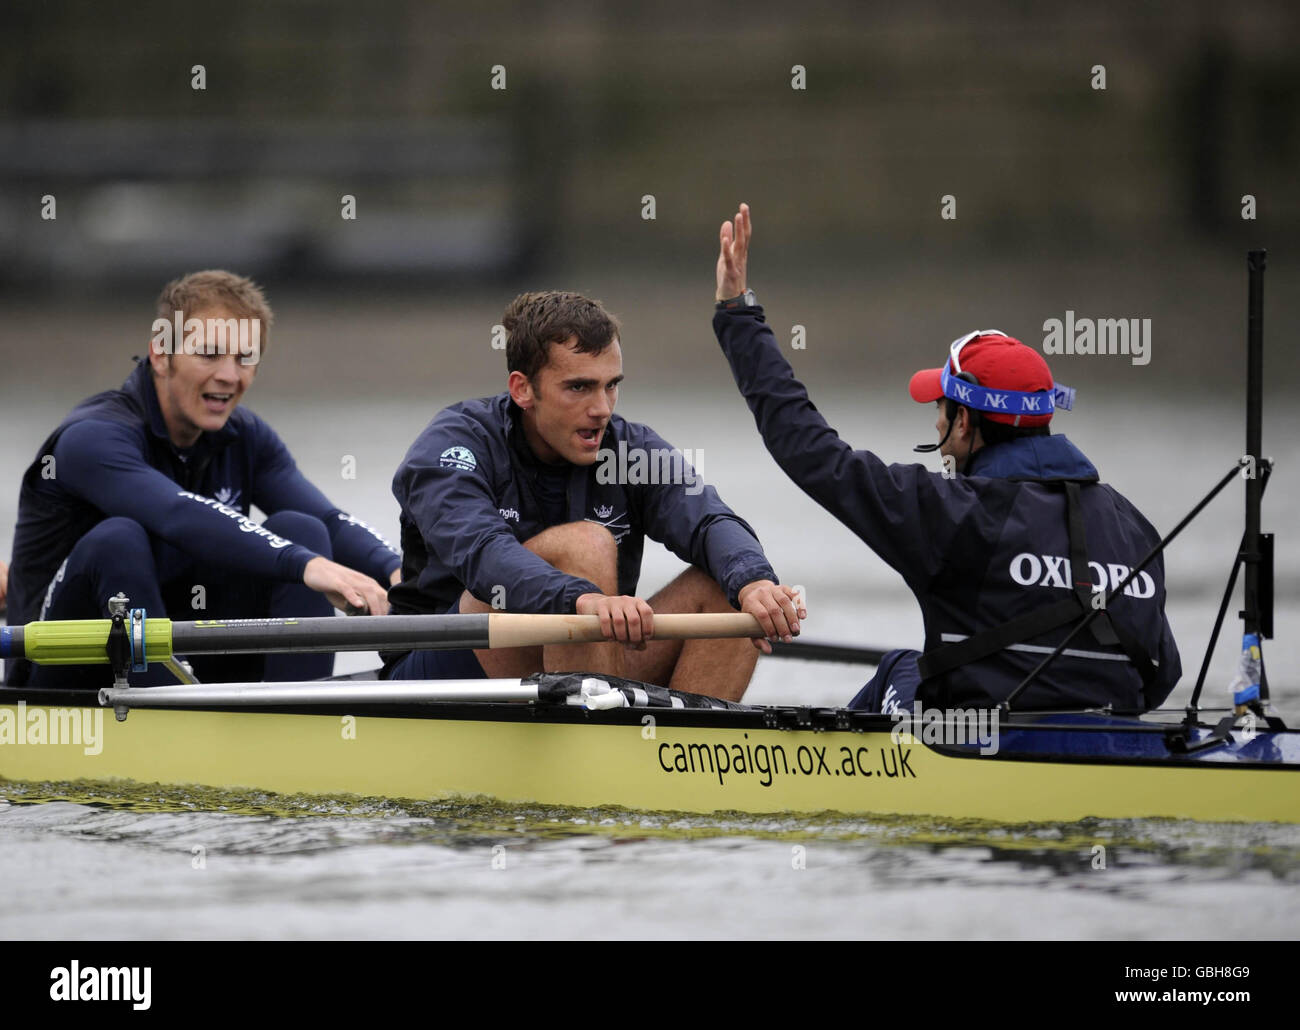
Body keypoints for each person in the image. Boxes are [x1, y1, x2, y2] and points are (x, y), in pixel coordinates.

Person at [710, 204, 1180, 714]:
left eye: (940, 407)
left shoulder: (950, 511)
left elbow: (808, 447)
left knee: (900, 667)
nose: (935, 423)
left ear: (964, 422)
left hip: (984, 748)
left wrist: (739, 315)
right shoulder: (1134, 525)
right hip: (1118, 748)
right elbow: (1162, 675)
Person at [385, 290, 804, 702]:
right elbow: (481, 551)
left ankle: (681, 756)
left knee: (728, 586)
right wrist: (579, 598)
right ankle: (604, 741)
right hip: (442, 669)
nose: (602, 408)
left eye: (611, 386)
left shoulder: (628, 449)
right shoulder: (455, 444)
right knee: (585, 544)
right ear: (523, 389)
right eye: (579, 387)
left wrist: (754, 582)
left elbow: (709, 519)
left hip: (588, 661)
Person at [5, 271, 399, 689]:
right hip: (58, 678)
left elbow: (331, 520)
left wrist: (400, 574)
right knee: (117, 539)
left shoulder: (246, 437)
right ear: (161, 354)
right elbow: (177, 512)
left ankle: (297, 715)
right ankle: (173, 713)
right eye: (210, 355)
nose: (230, 375)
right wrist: (307, 566)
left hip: (183, 658)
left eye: (245, 358)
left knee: (302, 528)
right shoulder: (93, 438)